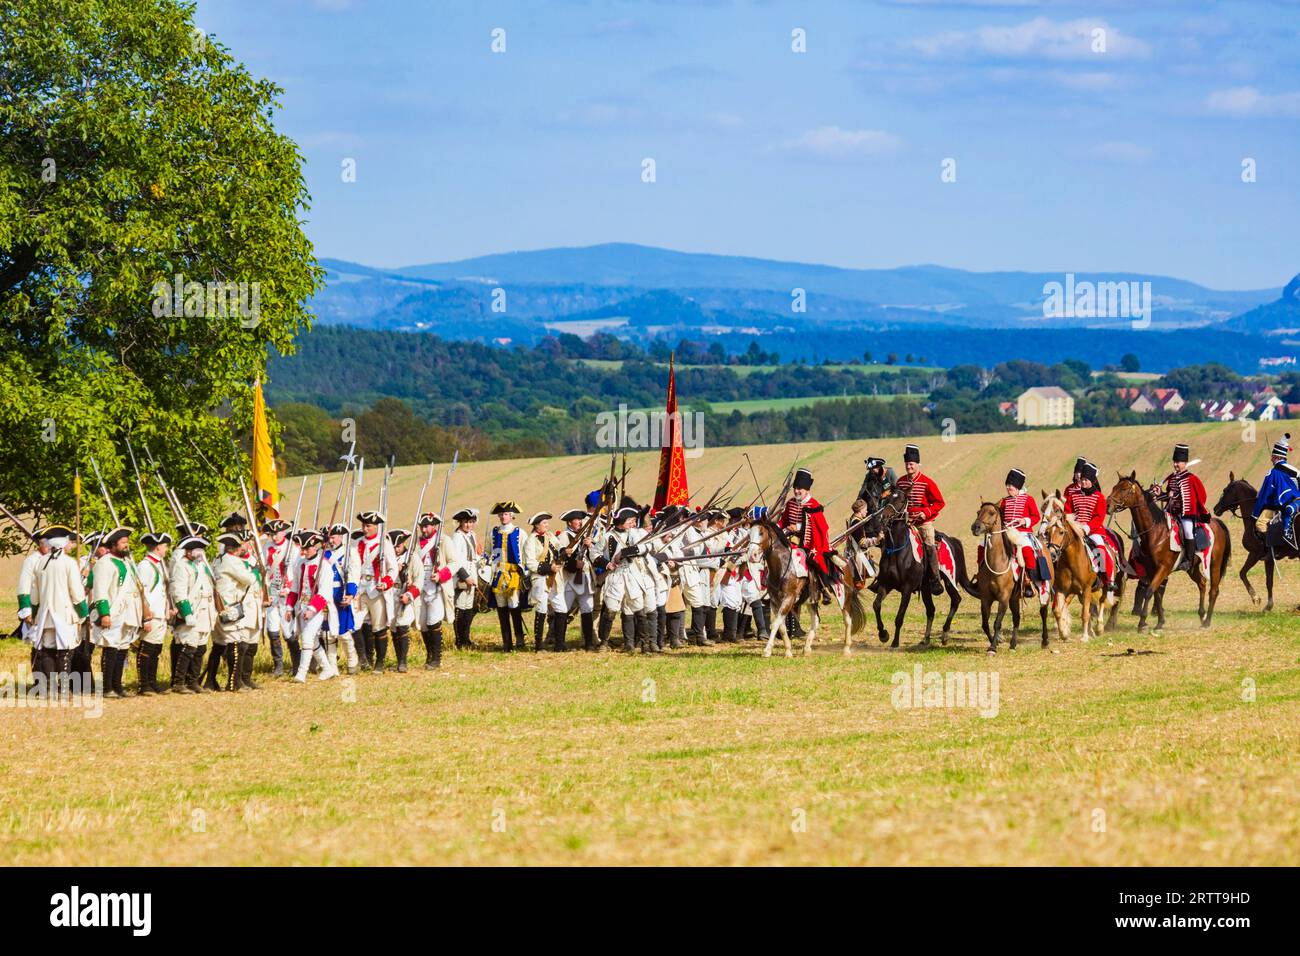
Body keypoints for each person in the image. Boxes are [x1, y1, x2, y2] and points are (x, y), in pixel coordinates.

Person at [29, 525, 89, 698]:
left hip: (45, 614)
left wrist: (35, 614)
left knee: (47, 649)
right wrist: (83, 613)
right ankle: (63, 689)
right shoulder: (69, 563)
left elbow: (34, 595)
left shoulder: (40, 562)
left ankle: (49, 688)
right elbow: (77, 593)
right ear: (63, 543)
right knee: (66, 650)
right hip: (65, 614)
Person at [92, 526, 144, 699]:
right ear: (113, 545)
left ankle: (117, 685)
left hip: (128, 612)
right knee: (111, 648)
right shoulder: (104, 563)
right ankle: (107, 687)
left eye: (127, 543)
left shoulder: (127, 563)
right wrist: (104, 613)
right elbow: (100, 590)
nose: (126, 546)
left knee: (122, 649)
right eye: (123, 543)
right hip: (114, 611)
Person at [213, 531, 265, 692]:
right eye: (242, 543)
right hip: (235, 606)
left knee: (246, 646)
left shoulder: (227, 560)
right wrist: (254, 572)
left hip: (246, 605)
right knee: (238, 645)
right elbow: (249, 579)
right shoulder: (232, 561)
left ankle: (242, 680)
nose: (245, 546)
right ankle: (235, 682)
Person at [286, 530, 340, 683]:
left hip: (317, 608)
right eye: (302, 549)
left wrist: (312, 609)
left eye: (306, 549)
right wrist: (290, 607)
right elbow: (295, 587)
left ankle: (301, 674)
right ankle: (328, 669)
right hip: (301, 606)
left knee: (307, 638)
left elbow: (324, 592)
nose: (304, 552)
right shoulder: (300, 564)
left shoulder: (324, 566)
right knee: (313, 642)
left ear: (315, 547)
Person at [894, 447, 945, 596]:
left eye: (912, 464)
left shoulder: (927, 482)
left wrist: (926, 512)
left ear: (918, 464)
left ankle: (935, 579)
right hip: (903, 521)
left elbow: (939, 502)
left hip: (922, 522)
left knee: (929, 544)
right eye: (907, 464)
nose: (909, 467)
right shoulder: (900, 482)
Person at [170, 533, 216, 693]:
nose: (200, 552)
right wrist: (186, 613)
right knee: (188, 647)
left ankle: (193, 681)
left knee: (201, 648)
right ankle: (178, 682)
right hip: (193, 610)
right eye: (197, 549)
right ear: (188, 551)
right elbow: (179, 592)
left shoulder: (202, 565)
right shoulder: (181, 566)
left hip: (205, 610)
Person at [354, 510, 399, 672]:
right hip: (360, 590)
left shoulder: (384, 544)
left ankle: (379, 662)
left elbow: (393, 568)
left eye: (368, 526)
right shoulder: (357, 543)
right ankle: (364, 659)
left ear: (376, 527)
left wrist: (386, 582)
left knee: (379, 627)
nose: (365, 529)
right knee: (355, 625)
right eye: (364, 526)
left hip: (376, 589)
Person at [408, 512, 453, 669]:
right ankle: (429, 655)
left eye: (426, 526)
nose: (424, 529)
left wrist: (441, 574)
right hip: (420, 585)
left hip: (436, 586)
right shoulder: (416, 543)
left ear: (434, 526)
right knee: (423, 623)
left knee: (434, 621)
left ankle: (436, 658)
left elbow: (454, 563)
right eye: (422, 526)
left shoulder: (443, 541)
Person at [552, 509, 599, 651]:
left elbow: (595, 555)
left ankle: (588, 643)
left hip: (585, 578)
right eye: (577, 520)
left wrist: (591, 545)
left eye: (580, 520)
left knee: (587, 609)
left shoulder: (585, 536)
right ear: (569, 522)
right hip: (569, 578)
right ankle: (559, 643)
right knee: (563, 610)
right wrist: (573, 564)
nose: (580, 522)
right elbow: (561, 556)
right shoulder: (564, 536)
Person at [135, 531, 174, 695]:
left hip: (160, 613)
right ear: (158, 547)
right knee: (147, 649)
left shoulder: (159, 563)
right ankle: (144, 684)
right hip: (151, 613)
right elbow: (141, 593)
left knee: (156, 650)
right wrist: (145, 616)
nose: (166, 549)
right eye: (164, 546)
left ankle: (152, 682)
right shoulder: (145, 566)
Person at [1161, 443, 1209, 569]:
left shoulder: (1192, 479)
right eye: (1175, 461)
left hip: (1186, 514)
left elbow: (1202, 496)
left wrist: (1177, 497)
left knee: (1188, 531)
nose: (1176, 464)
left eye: (1178, 462)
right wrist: (1159, 494)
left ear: (1185, 463)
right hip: (1170, 512)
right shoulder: (1172, 478)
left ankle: (1189, 559)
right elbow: (1168, 494)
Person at [487, 502, 526, 651]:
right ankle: (507, 642)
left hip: (514, 575)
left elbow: (524, 554)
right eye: (502, 514)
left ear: (512, 516)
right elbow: (487, 551)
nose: (504, 516)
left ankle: (520, 639)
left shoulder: (520, 532)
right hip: (498, 575)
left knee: (514, 607)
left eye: (506, 514)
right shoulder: (493, 532)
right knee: (502, 610)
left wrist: (524, 572)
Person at [262, 518, 295, 677]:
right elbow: (264, 568)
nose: (274, 537)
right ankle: (278, 666)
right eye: (271, 534)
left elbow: (297, 571)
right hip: (272, 594)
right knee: (272, 630)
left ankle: (296, 663)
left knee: (289, 632)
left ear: (283, 532)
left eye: (276, 533)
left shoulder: (291, 548)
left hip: (287, 595)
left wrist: (289, 588)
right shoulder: (267, 547)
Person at [522, 511, 559, 651]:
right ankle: (539, 644)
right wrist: (549, 567)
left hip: (554, 577)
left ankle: (557, 640)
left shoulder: (550, 536)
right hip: (540, 577)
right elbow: (530, 563)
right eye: (544, 523)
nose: (547, 525)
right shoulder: (531, 540)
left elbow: (558, 548)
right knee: (541, 608)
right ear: (537, 525)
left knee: (559, 606)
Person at [997, 469, 1042, 579]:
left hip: (1023, 533)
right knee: (984, 545)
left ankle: (1030, 579)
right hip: (1006, 532)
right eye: (1007, 485)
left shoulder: (1028, 499)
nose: (1008, 487)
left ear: (1018, 486)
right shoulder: (1004, 501)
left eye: (1010, 485)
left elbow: (1036, 516)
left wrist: (1025, 521)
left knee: (1027, 550)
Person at [446, 508, 481, 650]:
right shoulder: (457, 537)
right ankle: (459, 640)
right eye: (466, 522)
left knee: (468, 609)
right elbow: (456, 561)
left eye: (471, 522)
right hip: (462, 577)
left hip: (471, 576)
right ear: (460, 523)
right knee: (460, 610)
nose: (469, 525)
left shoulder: (471, 535)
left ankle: (466, 639)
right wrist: (466, 577)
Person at [1252, 434, 1293, 538]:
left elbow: (1265, 494)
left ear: (1277, 457)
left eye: (1273, 457)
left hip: (1280, 507)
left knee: (1260, 524)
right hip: (1296, 504)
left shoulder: (1273, 472)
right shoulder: (1296, 471)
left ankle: (1272, 549)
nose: (1271, 459)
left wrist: (1255, 513)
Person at [387, 528, 416, 671]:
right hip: (391, 593)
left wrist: (405, 572)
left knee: (403, 626)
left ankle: (403, 662)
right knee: (393, 628)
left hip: (405, 593)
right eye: (393, 547)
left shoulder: (410, 557)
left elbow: (417, 577)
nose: (396, 550)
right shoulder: (387, 557)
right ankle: (399, 659)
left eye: (398, 546)